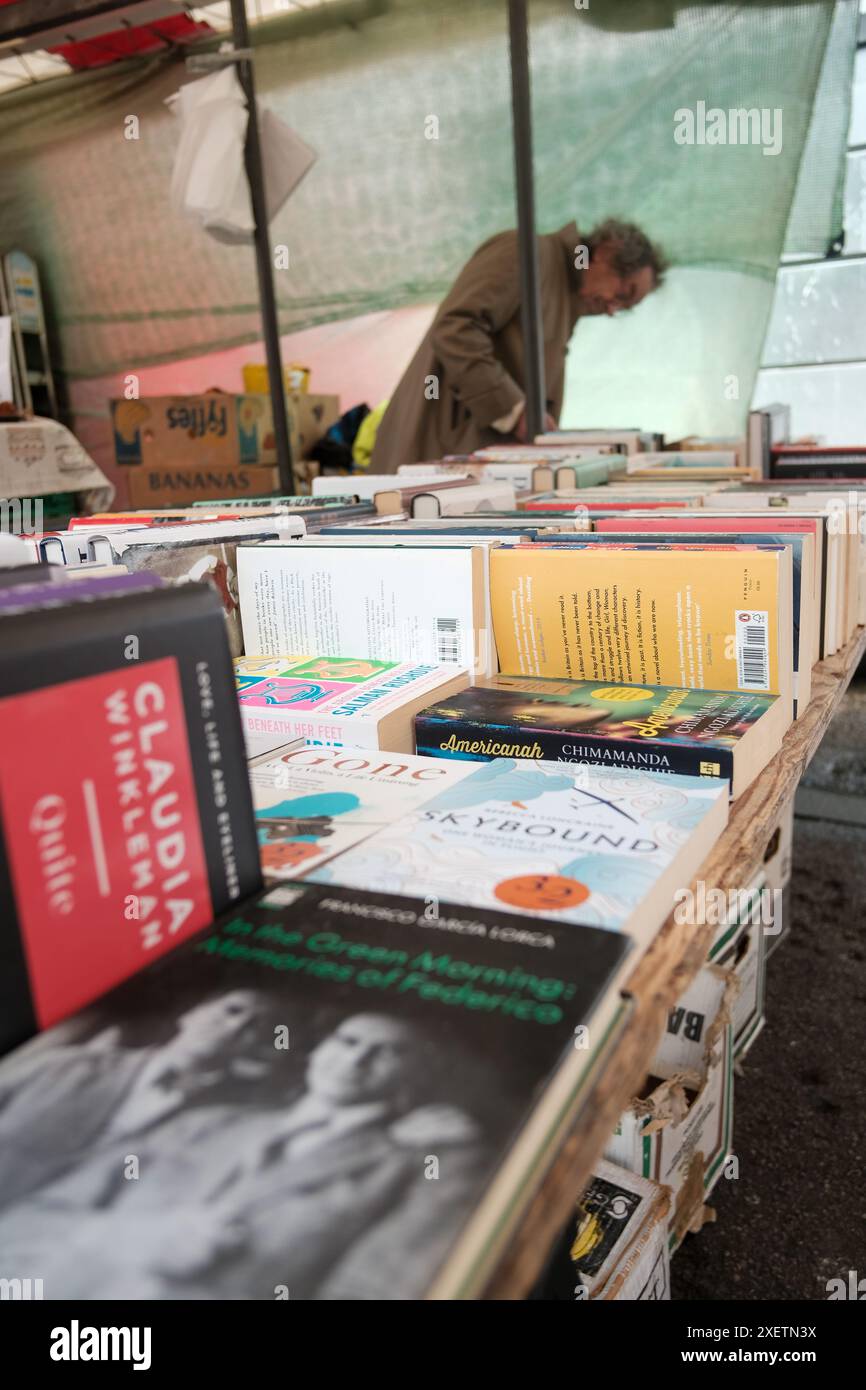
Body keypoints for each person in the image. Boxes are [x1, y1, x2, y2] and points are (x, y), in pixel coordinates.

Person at [0, 1011, 487, 1300]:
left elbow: (377, 1289)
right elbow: (29, 1221)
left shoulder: (416, 1167)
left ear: (415, 1080)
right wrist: (120, 1236)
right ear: (317, 1052)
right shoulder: (208, 1122)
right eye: (348, 1041)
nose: (355, 1060)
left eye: (388, 1053)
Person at [371, 218, 667, 470]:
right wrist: (514, 410)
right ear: (607, 252)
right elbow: (455, 329)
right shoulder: (526, 253)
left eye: (625, 307)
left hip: (466, 460)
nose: (613, 308)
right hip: (436, 451)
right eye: (623, 293)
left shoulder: (563, 288)